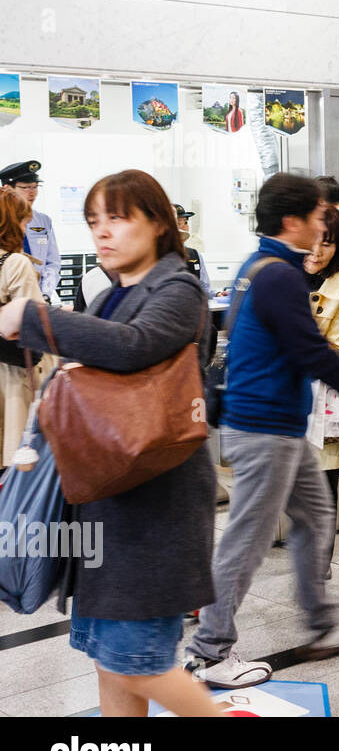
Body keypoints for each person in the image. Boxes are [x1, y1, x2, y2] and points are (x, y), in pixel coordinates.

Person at [0, 170, 223, 716]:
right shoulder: (110, 296)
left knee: (137, 663)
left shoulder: (179, 289)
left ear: (158, 223)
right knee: (110, 660)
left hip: (155, 509)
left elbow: (133, 348)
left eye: (118, 218)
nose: (103, 232)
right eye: (94, 220)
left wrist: (33, 315)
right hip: (105, 503)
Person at [185, 173, 339, 689]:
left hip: (275, 423)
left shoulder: (260, 267)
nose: (320, 226)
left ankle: (322, 623)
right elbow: (310, 350)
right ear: (292, 222)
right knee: (250, 534)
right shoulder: (279, 276)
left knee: (314, 517)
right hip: (266, 428)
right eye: (314, 217)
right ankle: (209, 652)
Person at [304, 206, 339, 517]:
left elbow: (337, 351)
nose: (316, 251)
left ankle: (321, 564)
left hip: (322, 400)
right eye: (312, 240)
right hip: (280, 399)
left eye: (326, 243)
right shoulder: (281, 274)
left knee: (323, 497)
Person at [0, 189, 47, 466]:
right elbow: (31, 320)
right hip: (14, 371)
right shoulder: (14, 262)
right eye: (24, 222)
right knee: (19, 451)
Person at [0, 160, 59, 302]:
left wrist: (46, 293)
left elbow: (52, 262)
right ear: (7, 188)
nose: (32, 193)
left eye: (35, 187)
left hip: (37, 296)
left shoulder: (43, 221)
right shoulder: (16, 262)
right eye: (26, 187)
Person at [173, 203, 215, 297]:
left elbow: (205, 288)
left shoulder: (195, 255)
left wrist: (217, 294)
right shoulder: (159, 256)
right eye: (179, 223)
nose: (185, 227)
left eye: (186, 223)